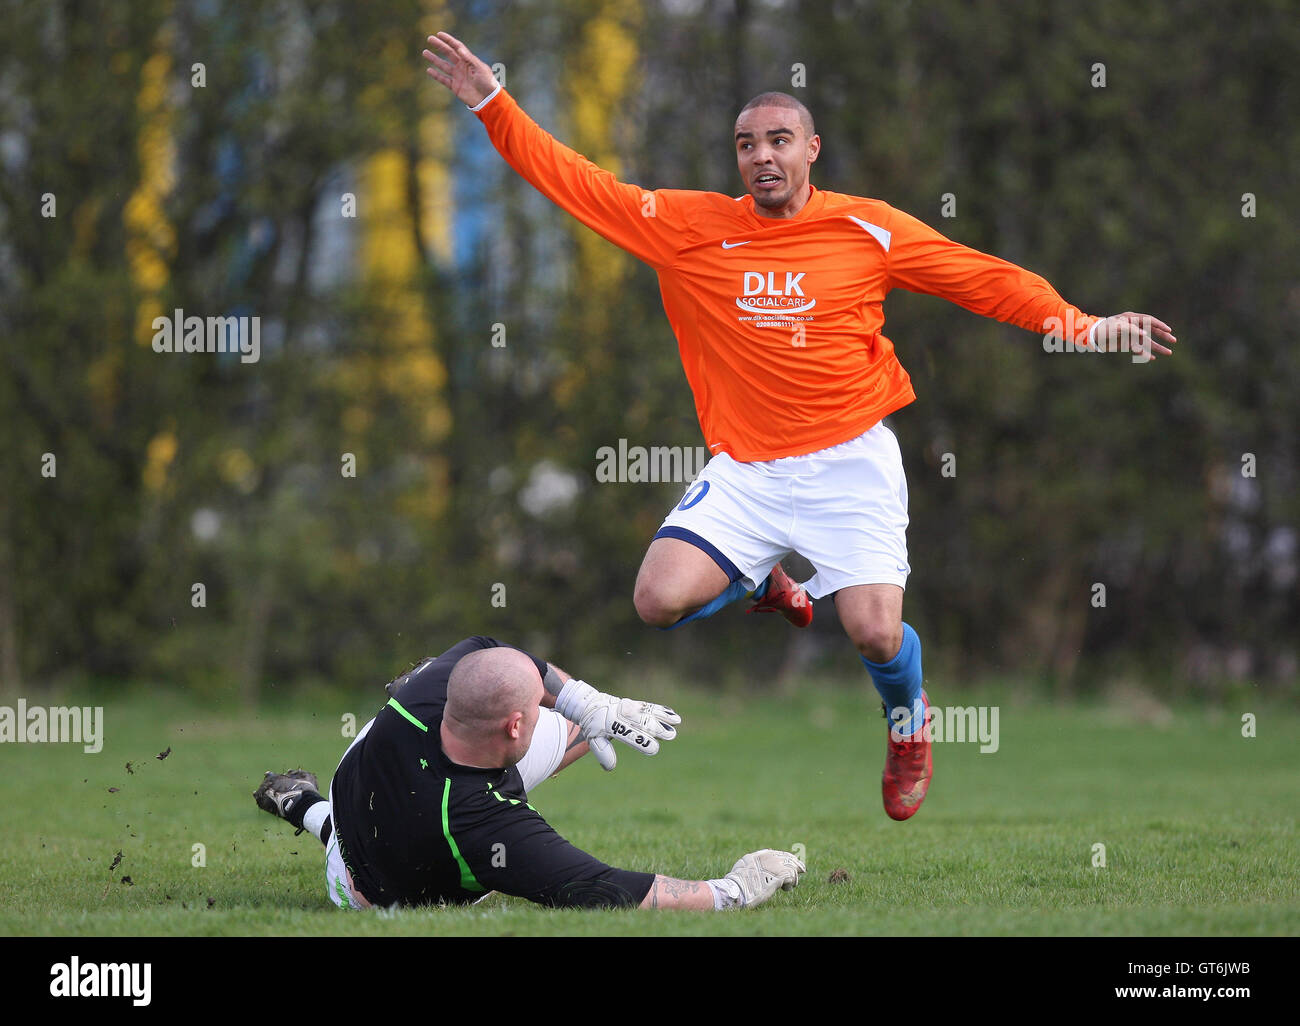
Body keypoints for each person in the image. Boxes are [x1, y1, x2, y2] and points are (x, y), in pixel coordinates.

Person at [421, 32, 1177, 821]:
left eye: (779, 140)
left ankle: (908, 723)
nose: (762, 156)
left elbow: (979, 277)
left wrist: (1082, 325)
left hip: (850, 463)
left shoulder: (868, 229)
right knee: (656, 600)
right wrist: (491, 102)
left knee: (877, 634)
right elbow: (576, 182)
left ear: (811, 149)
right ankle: (764, 578)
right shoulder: (687, 228)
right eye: (746, 145)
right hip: (747, 470)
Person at [254, 635, 804, 910]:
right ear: (515, 727)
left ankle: (303, 800)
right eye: (537, 709)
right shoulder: (488, 827)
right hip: (364, 885)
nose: (547, 706)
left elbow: (501, 652)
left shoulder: (432, 689)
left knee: (594, 726)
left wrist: (590, 704)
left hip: (369, 762)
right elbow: (605, 887)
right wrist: (731, 891)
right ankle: (306, 807)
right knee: (352, 851)